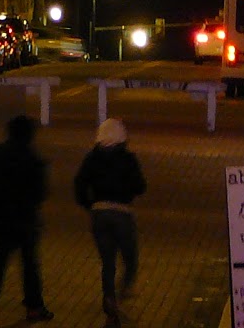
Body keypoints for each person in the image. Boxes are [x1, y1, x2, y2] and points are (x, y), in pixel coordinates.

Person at [0, 115, 54, 322]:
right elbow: (41, 193)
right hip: (25, 219)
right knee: (29, 265)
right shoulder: (34, 159)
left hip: (0, 217)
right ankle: (34, 307)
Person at [73, 117, 147, 328]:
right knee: (130, 259)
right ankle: (122, 293)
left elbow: (79, 183)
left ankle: (109, 299)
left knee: (108, 262)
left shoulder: (92, 158)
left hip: (99, 213)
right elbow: (141, 186)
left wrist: (89, 204)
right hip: (122, 213)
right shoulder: (128, 158)